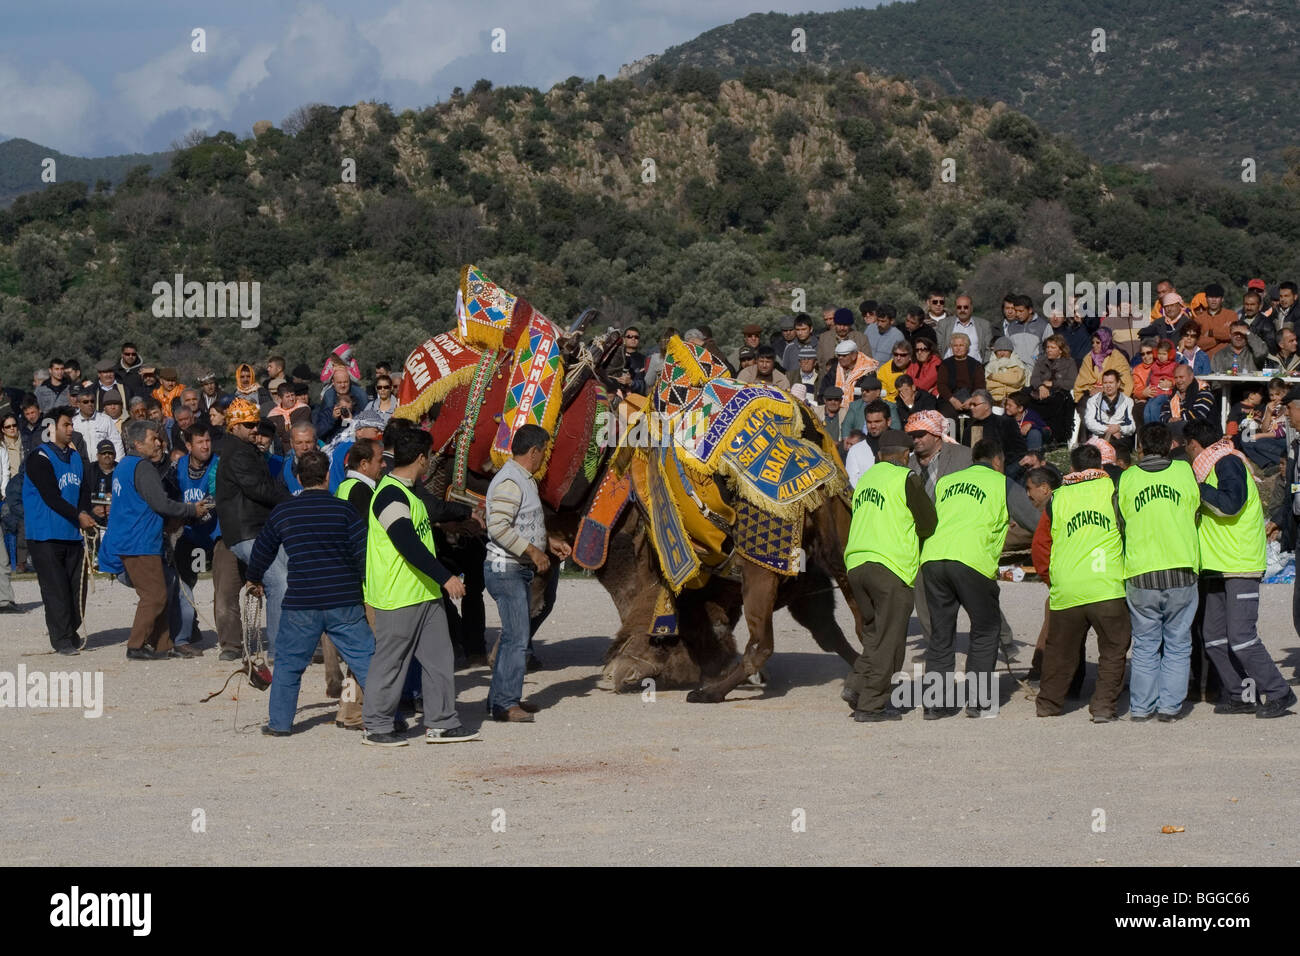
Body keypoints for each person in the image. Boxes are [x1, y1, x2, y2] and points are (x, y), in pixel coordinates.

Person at [247, 449, 377, 737]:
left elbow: (262, 549)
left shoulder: (284, 512)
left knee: (289, 665)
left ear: (297, 478)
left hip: (302, 602)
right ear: (329, 477)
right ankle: (382, 720)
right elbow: (363, 554)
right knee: (367, 661)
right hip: (343, 599)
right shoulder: (344, 510)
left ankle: (279, 724)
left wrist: (253, 579)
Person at [361, 426, 475, 746]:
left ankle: (441, 721)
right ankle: (376, 724)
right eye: (431, 456)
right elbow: (407, 543)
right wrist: (446, 576)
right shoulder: (390, 493)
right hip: (398, 596)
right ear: (422, 458)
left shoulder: (409, 492)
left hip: (424, 593)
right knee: (391, 662)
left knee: (440, 659)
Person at [1184, 420, 1296, 717]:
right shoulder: (1214, 465)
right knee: (1214, 637)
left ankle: (1279, 692)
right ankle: (1241, 695)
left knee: (1242, 636)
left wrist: (1198, 490)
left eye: (1186, 445)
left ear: (1194, 443)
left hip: (1239, 564)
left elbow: (1231, 504)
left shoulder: (1227, 462)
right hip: (1217, 565)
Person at [841, 430, 937, 721]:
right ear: (905, 456)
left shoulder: (866, 479)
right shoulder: (906, 479)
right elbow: (928, 522)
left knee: (873, 633)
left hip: (857, 562)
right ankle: (871, 704)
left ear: (880, 455)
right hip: (890, 567)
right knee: (890, 640)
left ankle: (857, 685)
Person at [97, 419, 210, 660]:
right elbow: (161, 503)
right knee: (155, 595)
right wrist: (192, 510)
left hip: (130, 541)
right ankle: (136, 645)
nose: (158, 442)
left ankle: (162, 645)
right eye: (153, 439)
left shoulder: (124, 466)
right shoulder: (142, 467)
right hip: (139, 542)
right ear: (138, 443)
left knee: (164, 590)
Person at [1034, 443, 1131, 721]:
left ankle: (1048, 704)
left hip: (1067, 585)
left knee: (1059, 651)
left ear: (1072, 467)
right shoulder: (1113, 490)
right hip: (1106, 585)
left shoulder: (1057, 497)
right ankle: (1102, 706)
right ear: (1101, 465)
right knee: (1113, 648)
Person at [919, 439, 1014, 718]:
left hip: (934, 559)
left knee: (941, 633)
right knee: (985, 629)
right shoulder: (1001, 482)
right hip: (972, 561)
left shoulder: (947, 482)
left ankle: (934, 704)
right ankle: (978, 701)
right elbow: (1031, 517)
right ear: (998, 460)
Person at [484, 425, 570, 722]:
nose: (543, 457)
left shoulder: (523, 480)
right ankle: (506, 704)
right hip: (505, 569)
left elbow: (523, 524)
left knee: (513, 636)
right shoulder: (510, 481)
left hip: (514, 568)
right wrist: (533, 552)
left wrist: (549, 543)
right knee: (517, 636)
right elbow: (497, 527)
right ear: (533, 451)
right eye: (543, 452)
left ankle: (500, 699)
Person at [1116, 423, 1200, 722]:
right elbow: (1196, 511)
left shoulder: (1127, 478)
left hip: (1141, 571)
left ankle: (1140, 708)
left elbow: (1121, 521)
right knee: (1178, 642)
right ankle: (1169, 707)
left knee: (1145, 644)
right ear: (1170, 446)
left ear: (1140, 447)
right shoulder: (1184, 472)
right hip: (1180, 568)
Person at [213, 397, 291, 661]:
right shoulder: (237, 453)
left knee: (286, 578)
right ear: (233, 427)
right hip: (245, 531)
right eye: (248, 425)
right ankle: (279, 652)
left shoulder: (246, 450)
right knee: (278, 582)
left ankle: (289, 644)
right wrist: (292, 502)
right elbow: (258, 489)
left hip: (258, 529)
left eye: (255, 424)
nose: (254, 429)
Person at [22, 406, 96, 653]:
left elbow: (85, 490)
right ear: (51, 428)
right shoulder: (38, 457)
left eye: (71, 424)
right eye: (66, 424)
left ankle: (70, 629)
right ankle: (61, 639)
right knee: (56, 589)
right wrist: (79, 515)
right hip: (45, 534)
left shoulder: (75, 457)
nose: (70, 429)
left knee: (78, 588)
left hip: (72, 532)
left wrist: (84, 512)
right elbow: (51, 496)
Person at [171, 421, 239, 657]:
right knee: (182, 584)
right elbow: (171, 494)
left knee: (222, 589)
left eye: (208, 440)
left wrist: (196, 513)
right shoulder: (179, 465)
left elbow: (216, 494)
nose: (205, 445)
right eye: (200, 442)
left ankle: (230, 643)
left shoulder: (218, 464)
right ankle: (185, 632)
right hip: (190, 535)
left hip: (217, 535)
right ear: (189, 445)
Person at [1083, 369, 1136, 454]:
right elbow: (1089, 422)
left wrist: (1119, 428)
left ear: (1118, 384)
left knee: (1120, 445)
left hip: (1120, 437)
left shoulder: (1128, 401)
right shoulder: (1093, 400)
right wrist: (1108, 430)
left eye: (1111, 382)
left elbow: (1132, 426)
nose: (1108, 386)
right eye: (1105, 383)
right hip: (1099, 436)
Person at [936, 333, 985, 422]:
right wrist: (953, 400)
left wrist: (971, 400)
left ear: (967, 347)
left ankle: (975, 436)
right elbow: (941, 385)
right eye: (955, 345)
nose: (958, 348)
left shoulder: (976, 365)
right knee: (947, 415)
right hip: (950, 398)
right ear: (951, 347)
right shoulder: (945, 364)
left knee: (978, 414)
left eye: (961, 345)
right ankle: (951, 436)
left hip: (971, 397)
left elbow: (980, 385)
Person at [1073, 329, 1132, 403]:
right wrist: (1091, 391)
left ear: (1105, 343)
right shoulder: (1088, 358)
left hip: (1112, 395)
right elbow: (1081, 383)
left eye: (1098, 342)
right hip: (1091, 396)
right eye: (1093, 342)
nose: (1094, 345)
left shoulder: (1118, 358)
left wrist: (1104, 390)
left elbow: (1126, 383)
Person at [936, 294, 991, 361]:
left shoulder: (984, 325)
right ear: (955, 308)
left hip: (975, 368)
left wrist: (984, 366)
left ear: (971, 308)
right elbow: (938, 348)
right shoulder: (944, 324)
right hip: (950, 367)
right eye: (959, 307)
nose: (962, 310)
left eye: (965, 307)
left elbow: (988, 349)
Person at [984, 337, 1028, 405]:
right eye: (999, 350)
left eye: (1005, 350)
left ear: (1011, 351)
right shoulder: (989, 366)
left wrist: (993, 376)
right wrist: (1007, 383)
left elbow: (1015, 380)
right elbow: (987, 385)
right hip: (994, 401)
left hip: (1013, 401)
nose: (1002, 353)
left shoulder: (1018, 364)